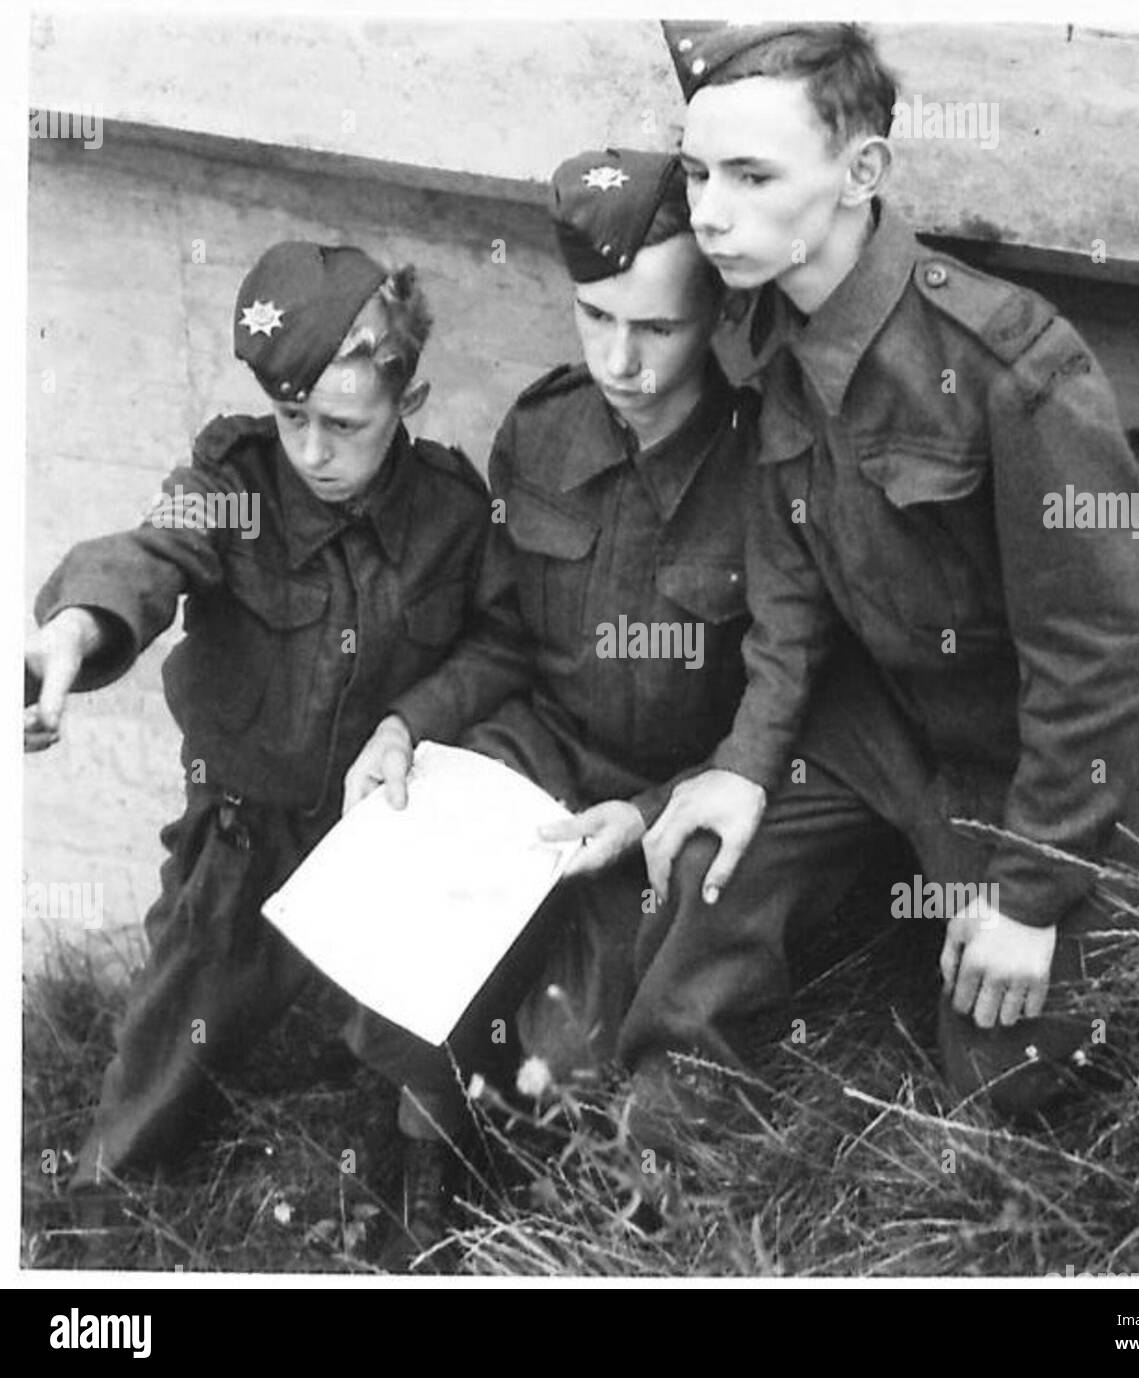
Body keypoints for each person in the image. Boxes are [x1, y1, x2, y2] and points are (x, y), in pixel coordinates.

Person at [628, 22, 1139, 1120]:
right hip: (878, 725)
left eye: (750, 175)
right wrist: (744, 761)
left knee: (1012, 1079)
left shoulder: (1004, 363)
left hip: (1023, 758)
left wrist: (1033, 891)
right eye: (695, 173)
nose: (707, 213)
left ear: (861, 171)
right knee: (706, 868)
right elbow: (787, 582)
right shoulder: (769, 322)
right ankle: (659, 1163)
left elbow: (1113, 652)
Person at [25, 242, 491, 1217]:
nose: (311, 451)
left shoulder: (452, 510)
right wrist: (79, 625)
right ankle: (103, 1208)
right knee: (172, 1036)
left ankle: (423, 1188)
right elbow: (154, 549)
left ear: (408, 400)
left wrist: (416, 720)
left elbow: (492, 649)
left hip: (376, 829)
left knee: (427, 1019)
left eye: (342, 425)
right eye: (292, 419)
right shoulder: (234, 481)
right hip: (243, 836)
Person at [342, 147, 760, 1216]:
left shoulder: (768, 470)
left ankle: (544, 1197)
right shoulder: (539, 429)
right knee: (404, 903)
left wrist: (647, 810)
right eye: (594, 317)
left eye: (657, 327)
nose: (621, 359)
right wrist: (405, 723)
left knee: (565, 1053)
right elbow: (501, 642)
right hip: (542, 749)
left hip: (669, 796)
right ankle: (418, 1168)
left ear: (715, 315)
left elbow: (787, 714)